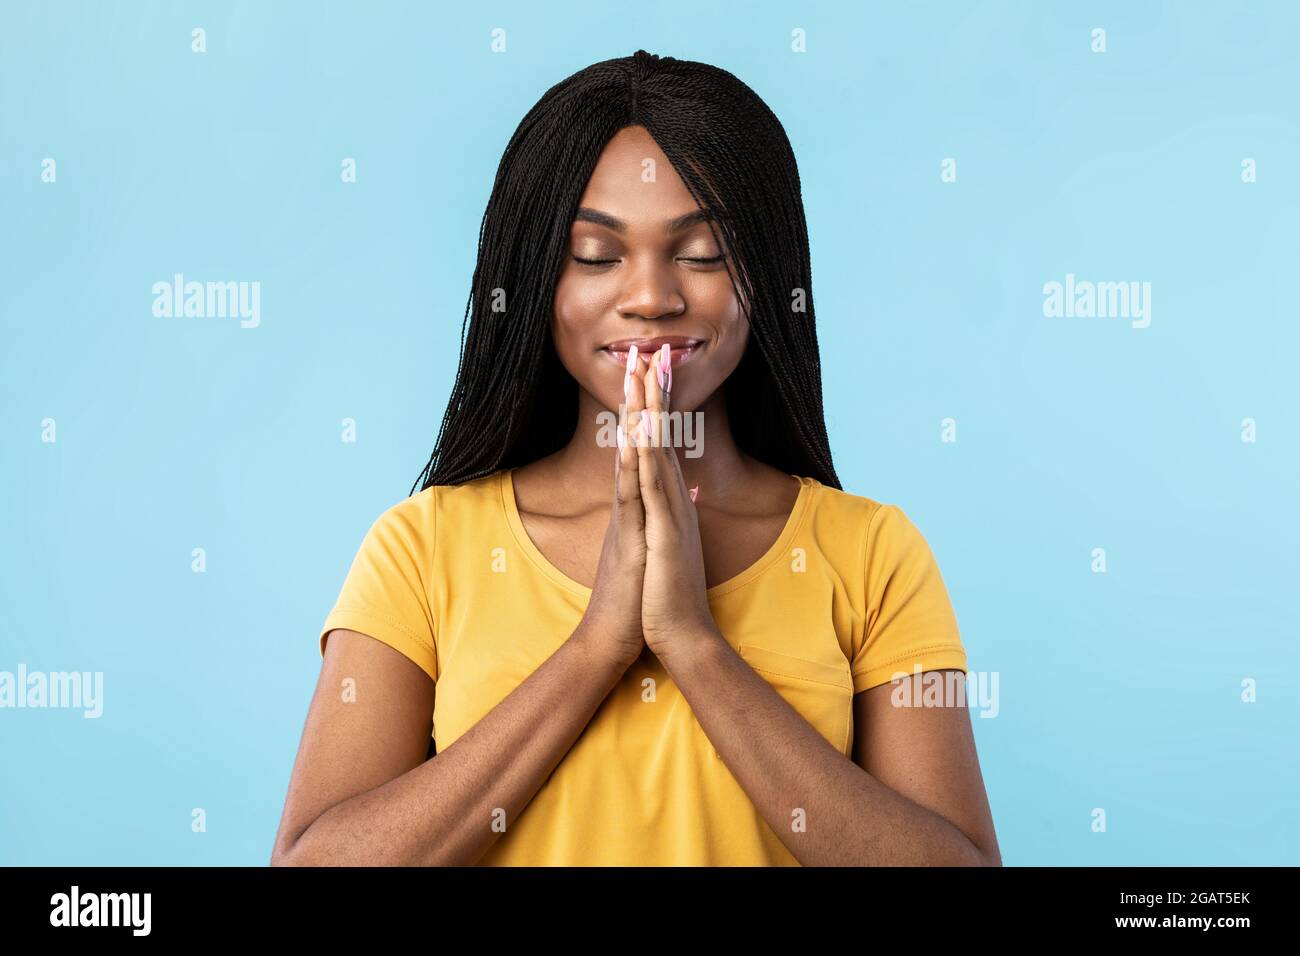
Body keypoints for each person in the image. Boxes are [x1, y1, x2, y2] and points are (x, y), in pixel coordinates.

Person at [271, 50, 1000, 866]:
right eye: (595, 254)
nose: (651, 296)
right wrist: (597, 649)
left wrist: (693, 643)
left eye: (702, 253)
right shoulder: (421, 548)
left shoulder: (872, 555)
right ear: (536, 281)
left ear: (767, 273)